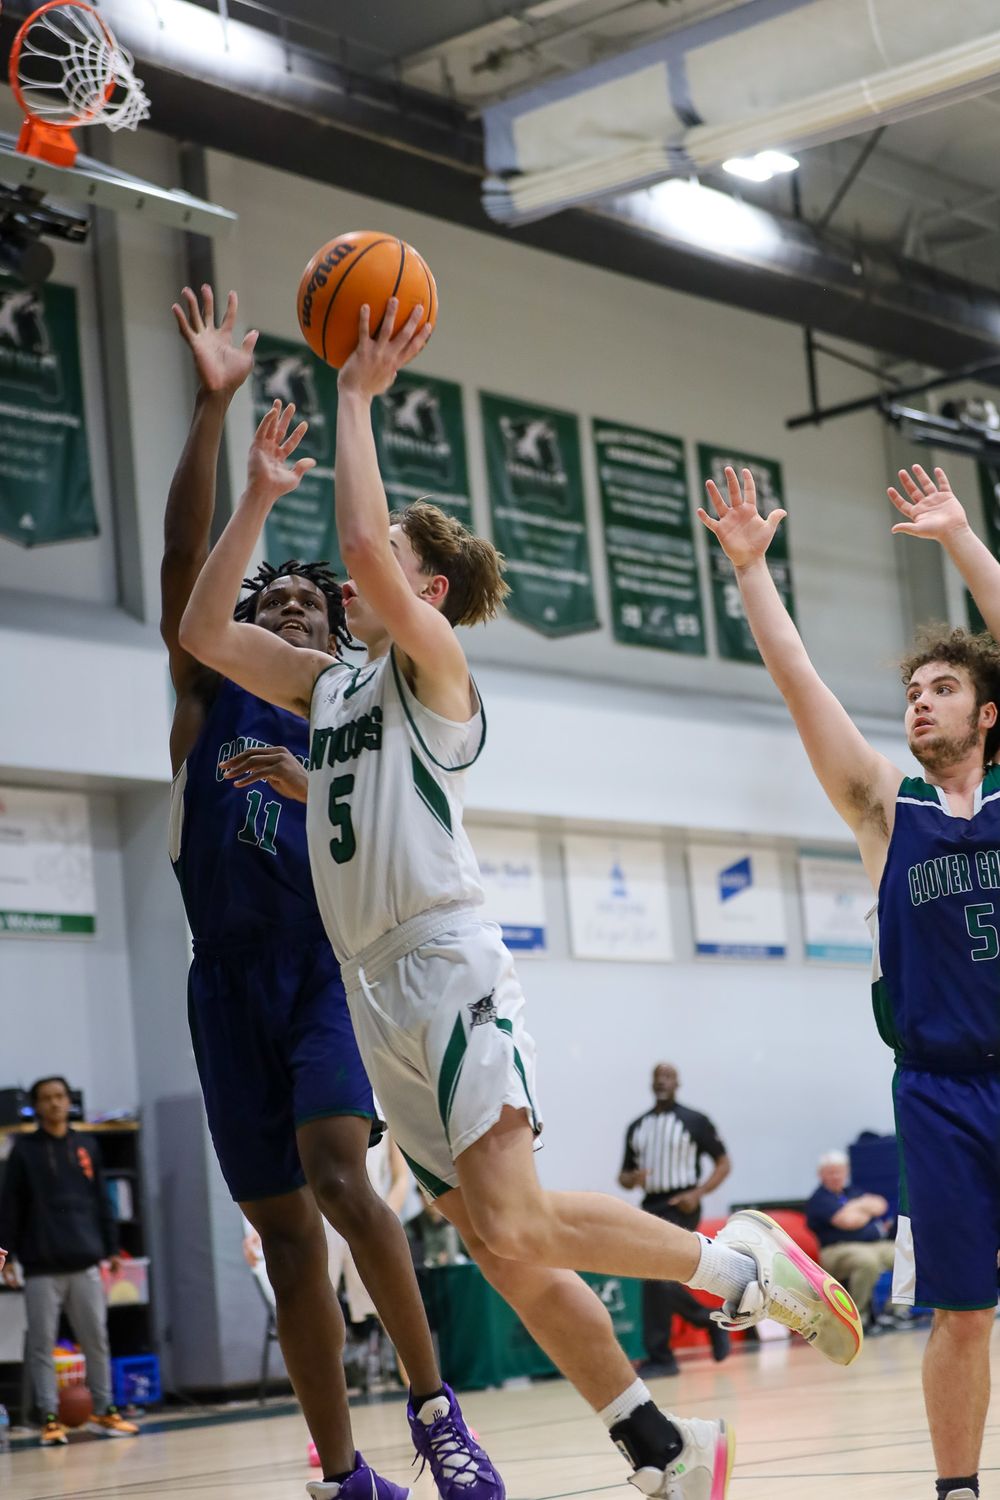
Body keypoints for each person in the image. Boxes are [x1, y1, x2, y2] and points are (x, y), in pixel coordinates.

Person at [178, 297, 863, 1500]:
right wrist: (255, 497)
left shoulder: (435, 673)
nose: (359, 573)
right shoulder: (327, 696)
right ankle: (663, 1450)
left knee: (521, 1221)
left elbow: (361, 548)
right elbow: (201, 627)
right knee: (502, 1246)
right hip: (371, 989)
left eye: (393, 564)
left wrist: (352, 398)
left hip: (444, 966)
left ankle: (735, 1263)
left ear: (427, 589)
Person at [163, 286, 501, 1500]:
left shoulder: (357, 711)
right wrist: (217, 414)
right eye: (272, 604)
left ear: (338, 635)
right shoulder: (210, 704)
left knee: (339, 1174)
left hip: (325, 968)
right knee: (286, 1235)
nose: (291, 610)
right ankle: (347, 1473)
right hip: (223, 983)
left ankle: (434, 1411)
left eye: (309, 605)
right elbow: (185, 575)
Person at [697, 459, 1000, 1500]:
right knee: (962, 1313)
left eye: (943, 688)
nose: (919, 702)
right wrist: (751, 571)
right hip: (938, 1091)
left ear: (988, 713)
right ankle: (956, 1491)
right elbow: (800, 684)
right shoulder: (885, 807)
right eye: (912, 692)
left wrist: (960, 538)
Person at [0, 1076, 139, 1445]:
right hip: (41, 1266)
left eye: (60, 1096)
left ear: (68, 1102)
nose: (55, 1103)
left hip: (85, 1261)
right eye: (46, 1098)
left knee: (97, 1341)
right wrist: (8, 1255)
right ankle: (49, 1418)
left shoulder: (86, 1145)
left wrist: (112, 1248)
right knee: (41, 1346)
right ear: (36, 1106)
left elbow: (101, 1201)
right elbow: (10, 1207)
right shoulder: (24, 1150)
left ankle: (105, 1411)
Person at [620, 1064, 732, 1376]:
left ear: (677, 1083)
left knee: (658, 1275)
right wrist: (633, 1178)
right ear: (651, 1083)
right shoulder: (637, 1126)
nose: (662, 1082)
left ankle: (662, 1357)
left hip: (681, 1204)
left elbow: (723, 1163)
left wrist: (698, 1193)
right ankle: (706, 1322)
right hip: (650, 1205)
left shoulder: (694, 1121)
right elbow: (624, 1176)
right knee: (653, 1277)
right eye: (657, 1078)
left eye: (667, 1077)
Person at [805, 1151, 903, 1332]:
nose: (836, 1176)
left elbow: (880, 1205)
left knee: (905, 1254)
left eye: (839, 1171)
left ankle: (895, 1311)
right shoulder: (819, 1199)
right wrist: (863, 1208)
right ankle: (859, 1318)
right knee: (866, 1261)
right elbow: (848, 1221)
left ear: (846, 1172)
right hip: (835, 1250)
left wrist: (853, 1208)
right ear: (821, 1175)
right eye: (830, 1172)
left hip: (870, 1244)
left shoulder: (852, 1191)